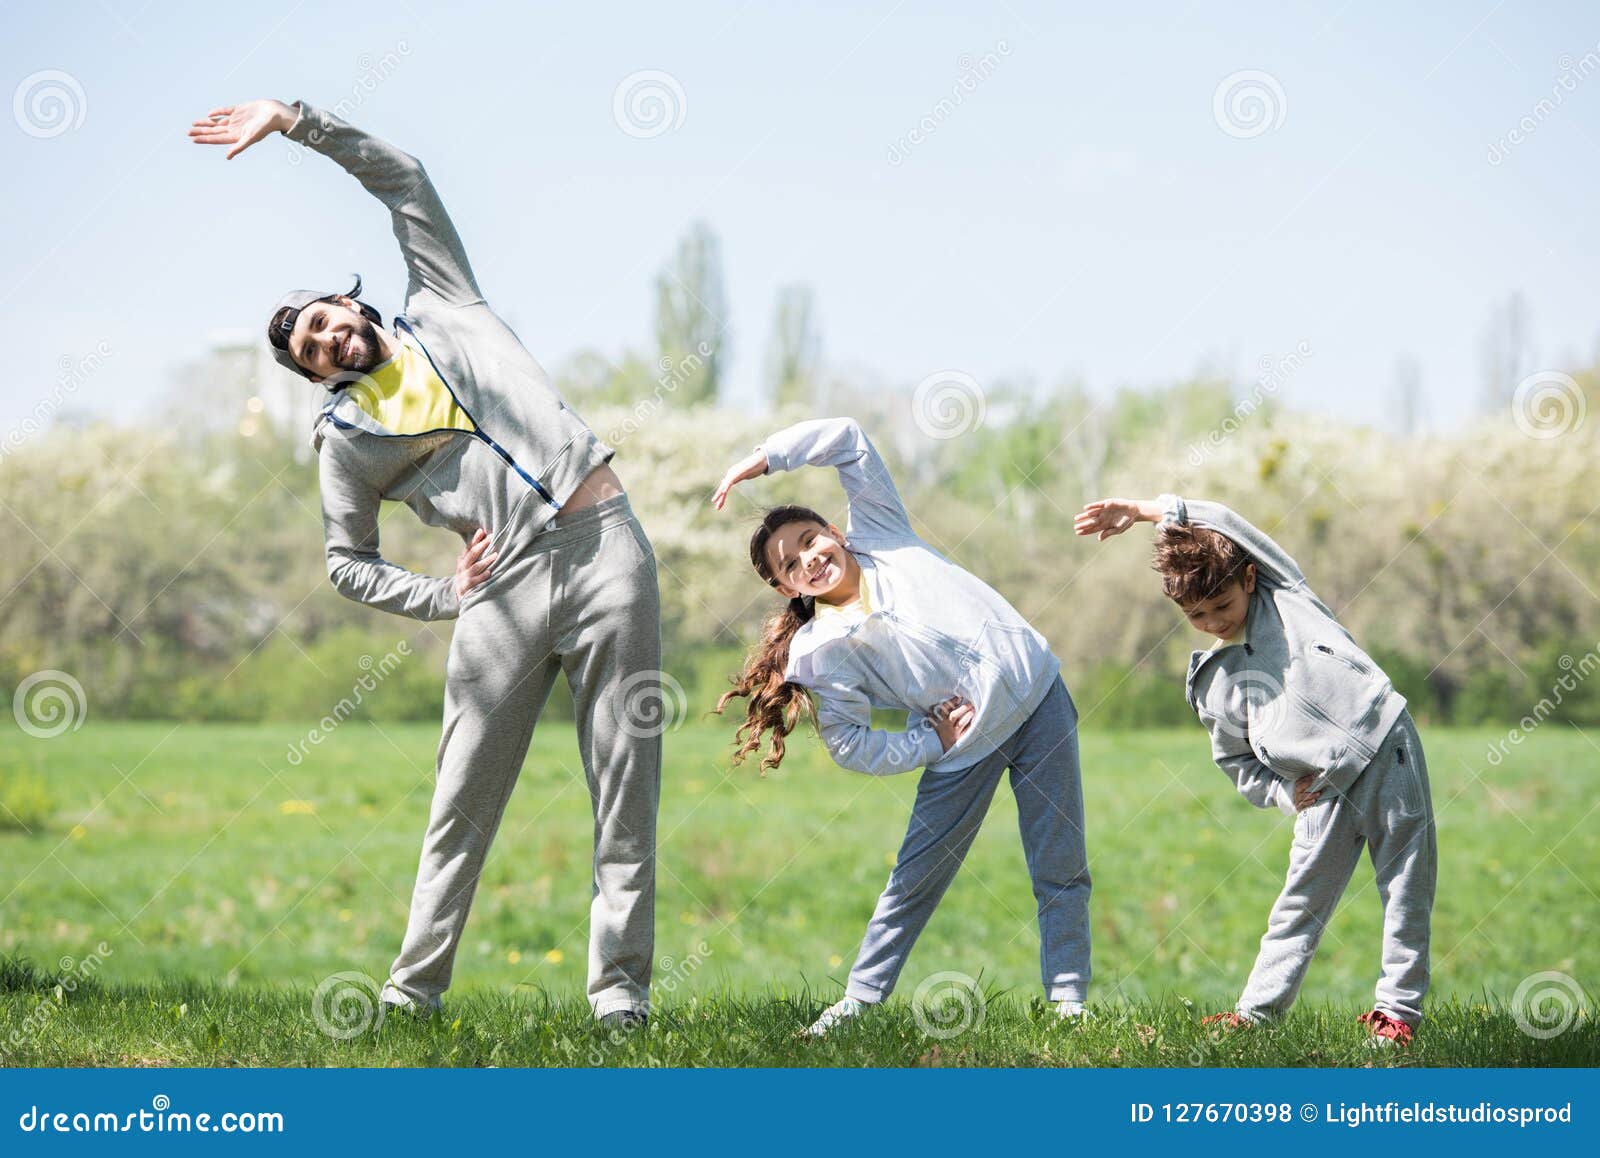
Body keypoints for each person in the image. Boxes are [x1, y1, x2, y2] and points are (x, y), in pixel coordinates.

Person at [190, 97, 661, 1029]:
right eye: (313, 352)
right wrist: (445, 594)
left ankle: (620, 997)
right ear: (319, 375)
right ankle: (413, 994)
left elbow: (403, 178)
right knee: (461, 800)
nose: (328, 340)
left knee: (625, 781)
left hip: (609, 554)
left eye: (327, 319)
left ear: (351, 303)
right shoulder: (347, 445)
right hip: (500, 594)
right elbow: (346, 563)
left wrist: (295, 122)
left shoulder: (444, 302)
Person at [711, 417, 1092, 1036]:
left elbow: (849, 439)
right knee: (913, 881)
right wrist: (926, 737)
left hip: (1040, 696)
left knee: (1060, 864)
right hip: (963, 748)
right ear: (782, 586)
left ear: (835, 531)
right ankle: (859, 1002)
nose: (809, 558)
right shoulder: (823, 649)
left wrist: (762, 460)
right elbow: (853, 738)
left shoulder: (884, 535)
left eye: (811, 539)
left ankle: (1070, 1002)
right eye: (790, 563)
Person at [1074, 495, 1436, 1046]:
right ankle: (1256, 1015)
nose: (1214, 621)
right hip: (1321, 792)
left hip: (1386, 744)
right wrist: (1287, 795)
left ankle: (1397, 1014)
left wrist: (1149, 511)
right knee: (1299, 903)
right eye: (1198, 616)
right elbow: (1236, 762)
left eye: (1222, 603)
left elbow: (1221, 518)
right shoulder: (1213, 684)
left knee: (1407, 885)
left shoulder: (1284, 594)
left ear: (1248, 577)